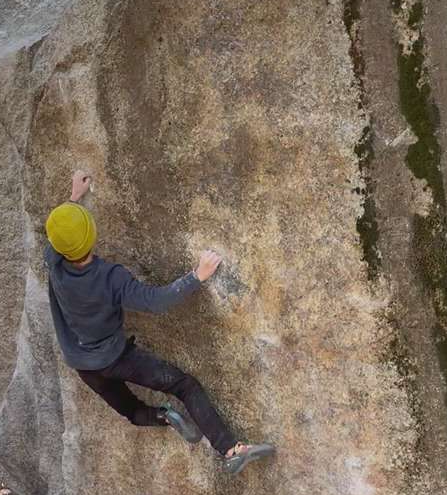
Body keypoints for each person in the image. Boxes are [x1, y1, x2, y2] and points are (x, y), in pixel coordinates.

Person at [43, 171, 275, 477]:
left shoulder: (54, 261)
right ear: (92, 236)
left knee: (130, 410)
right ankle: (231, 450)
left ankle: (163, 415)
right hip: (117, 358)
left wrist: (74, 198)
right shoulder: (111, 278)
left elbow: (60, 237)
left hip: (84, 366)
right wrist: (197, 276)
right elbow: (155, 301)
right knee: (184, 384)